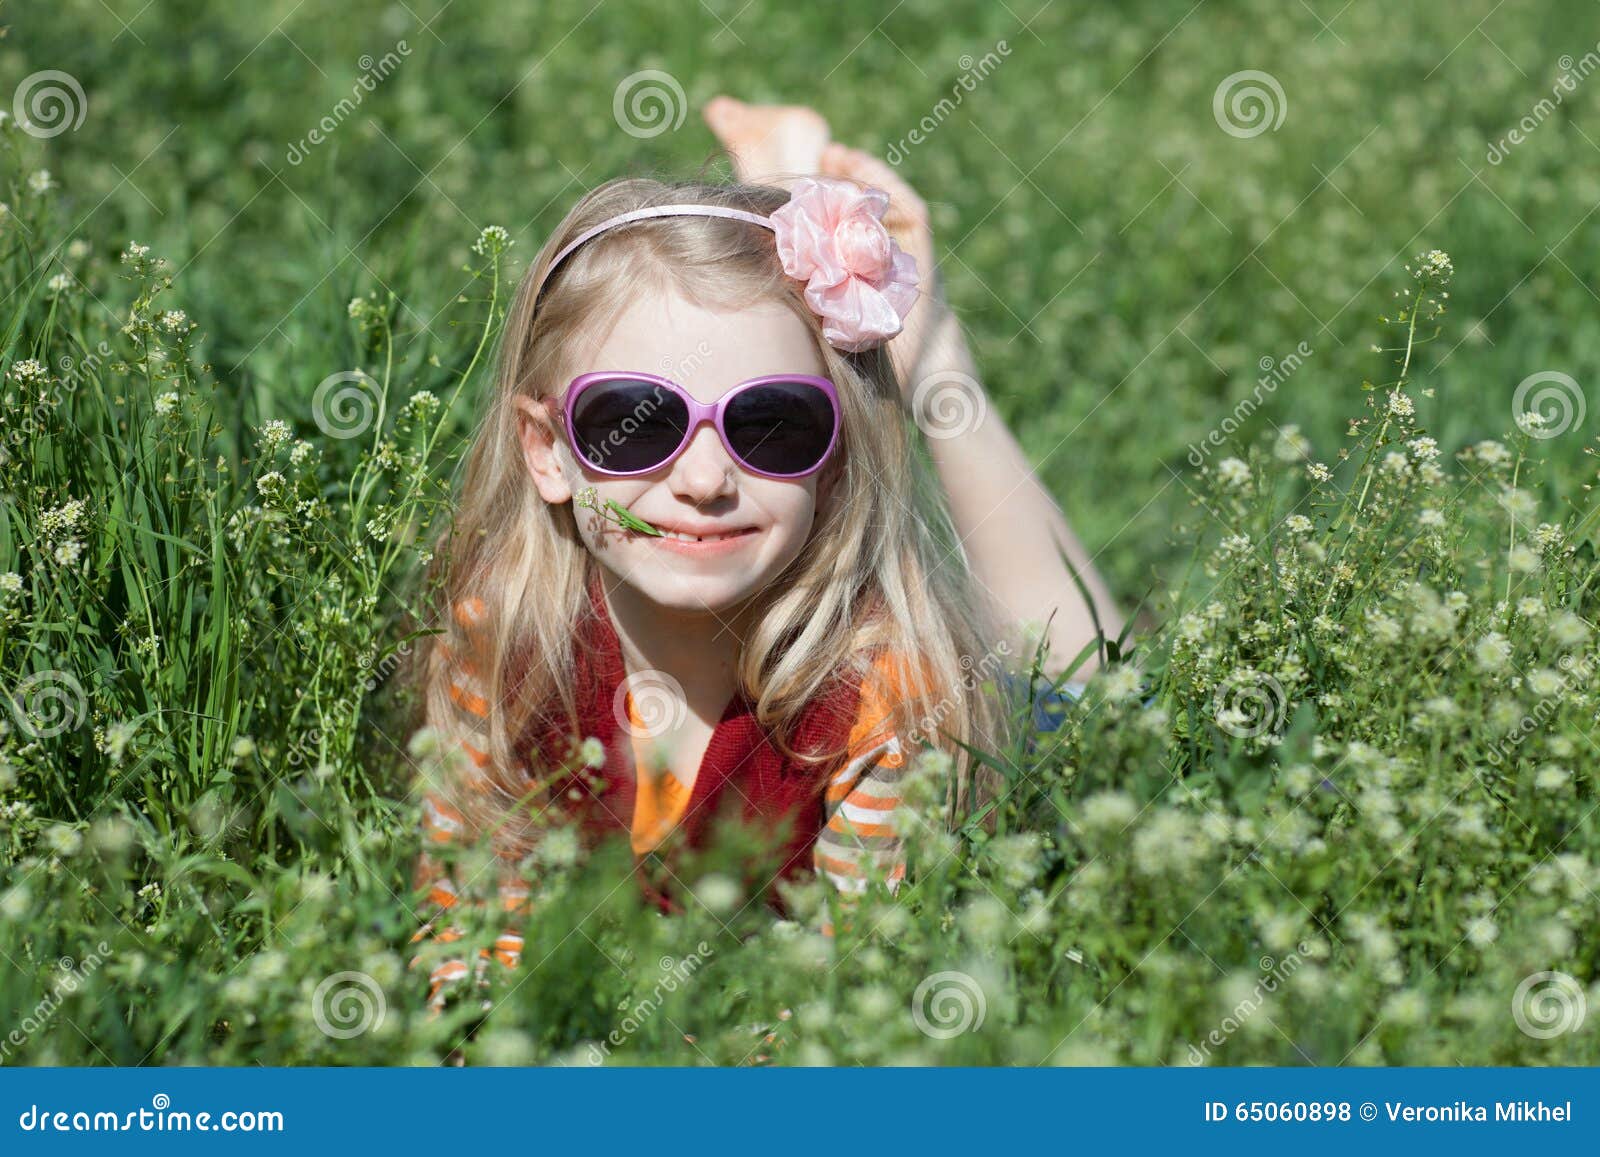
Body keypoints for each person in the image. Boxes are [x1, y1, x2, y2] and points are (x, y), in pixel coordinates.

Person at [407, 98, 1122, 1011]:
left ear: (836, 459)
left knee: (1093, 682)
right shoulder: (503, 635)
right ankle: (786, 199)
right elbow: (467, 932)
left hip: (1023, 723)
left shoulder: (882, 696)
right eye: (637, 422)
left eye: (773, 424)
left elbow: (847, 999)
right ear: (547, 450)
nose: (705, 479)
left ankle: (934, 350)